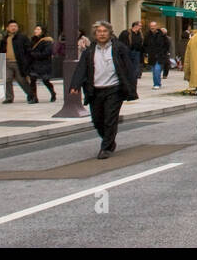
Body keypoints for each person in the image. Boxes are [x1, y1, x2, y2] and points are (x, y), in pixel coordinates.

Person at [69, 21, 138, 159]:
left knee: (110, 119)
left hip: (114, 88)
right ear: (95, 34)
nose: (101, 34)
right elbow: (81, 68)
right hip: (95, 90)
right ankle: (109, 140)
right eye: (99, 31)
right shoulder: (89, 51)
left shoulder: (119, 48)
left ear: (110, 33)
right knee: (97, 120)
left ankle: (106, 147)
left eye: (104, 31)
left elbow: (129, 68)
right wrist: (75, 85)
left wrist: (131, 86)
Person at [0, 21, 34, 103]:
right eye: (11, 26)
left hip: (18, 63)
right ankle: (9, 97)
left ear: (17, 28)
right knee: (7, 79)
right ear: (7, 28)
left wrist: (27, 61)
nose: (13, 28)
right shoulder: (5, 38)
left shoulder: (22, 37)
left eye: (15, 26)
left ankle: (31, 95)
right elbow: (0, 51)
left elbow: (28, 50)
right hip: (7, 62)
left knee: (21, 80)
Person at [28, 25, 57, 102]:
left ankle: (53, 93)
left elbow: (46, 53)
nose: (35, 31)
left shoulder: (47, 41)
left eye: (38, 29)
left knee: (45, 80)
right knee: (33, 79)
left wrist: (34, 54)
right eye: (35, 29)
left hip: (44, 64)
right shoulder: (33, 40)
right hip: (34, 64)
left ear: (42, 31)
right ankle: (34, 97)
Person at [143, 21, 171, 89]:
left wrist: (165, 52)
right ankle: (157, 83)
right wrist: (146, 52)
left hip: (160, 55)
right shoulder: (147, 35)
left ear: (156, 26)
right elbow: (145, 45)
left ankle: (156, 84)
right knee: (154, 70)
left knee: (157, 69)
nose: (152, 27)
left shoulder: (162, 35)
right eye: (151, 26)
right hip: (152, 56)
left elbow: (167, 44)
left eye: (153, 26)